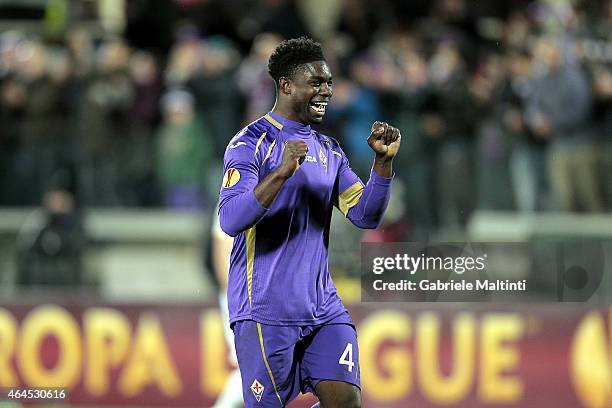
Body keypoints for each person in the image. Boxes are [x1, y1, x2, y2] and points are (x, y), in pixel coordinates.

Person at [218, 37, 401, 408]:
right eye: (316, 82)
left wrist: (382, 166)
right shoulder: (250, 142)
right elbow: (230, 219)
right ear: (286, 84)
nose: (327, 91)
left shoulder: (329, 150)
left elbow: (365, 215)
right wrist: (281, 173)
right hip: (264, 310)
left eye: (329, 82)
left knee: (346, 401)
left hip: (321, 307)